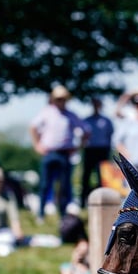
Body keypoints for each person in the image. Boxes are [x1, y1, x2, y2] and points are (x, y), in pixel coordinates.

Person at [29, 85, 88, 223]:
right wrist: (37, 144)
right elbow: (33, 127)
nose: (60, 101)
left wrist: (78, 147)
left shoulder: (70, 115)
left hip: (64, 153)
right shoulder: (46, 112)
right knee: (45, 184)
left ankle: (63, 214)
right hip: (49, 152)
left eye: (62, 99)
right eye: (58, 99)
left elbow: (85, 130)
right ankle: (41, 213)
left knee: (64, 185)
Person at [80, 98, 114, 204]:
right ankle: (83, 201)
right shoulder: (86, 120)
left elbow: (110, 135)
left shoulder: (106, 121)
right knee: (86, 176)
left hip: (102, 150)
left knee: (102, 177)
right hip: (90, 150)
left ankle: (103, 200)